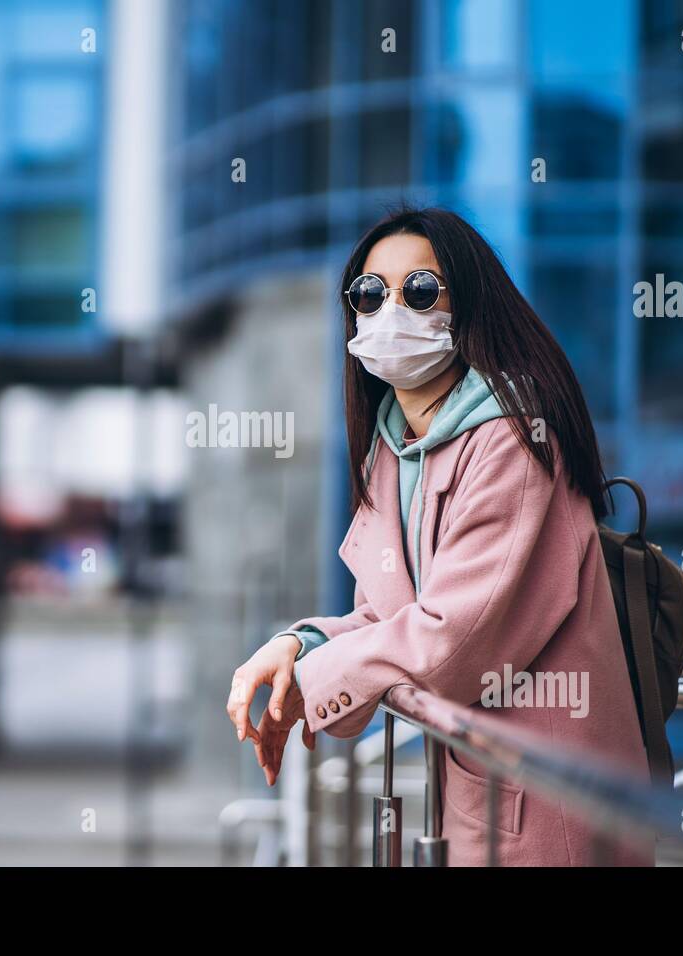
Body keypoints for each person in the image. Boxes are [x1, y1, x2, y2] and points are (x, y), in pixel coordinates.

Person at [226, 204, 653, 866]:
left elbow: (450, 641)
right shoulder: (396, 444)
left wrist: (314, 683)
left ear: (469, 306)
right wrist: (298, 645)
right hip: (478, 799)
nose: (390, 311)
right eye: (370, 294)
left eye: (419, 291)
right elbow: (386, 617)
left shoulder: (514, 435)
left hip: (552, 807)